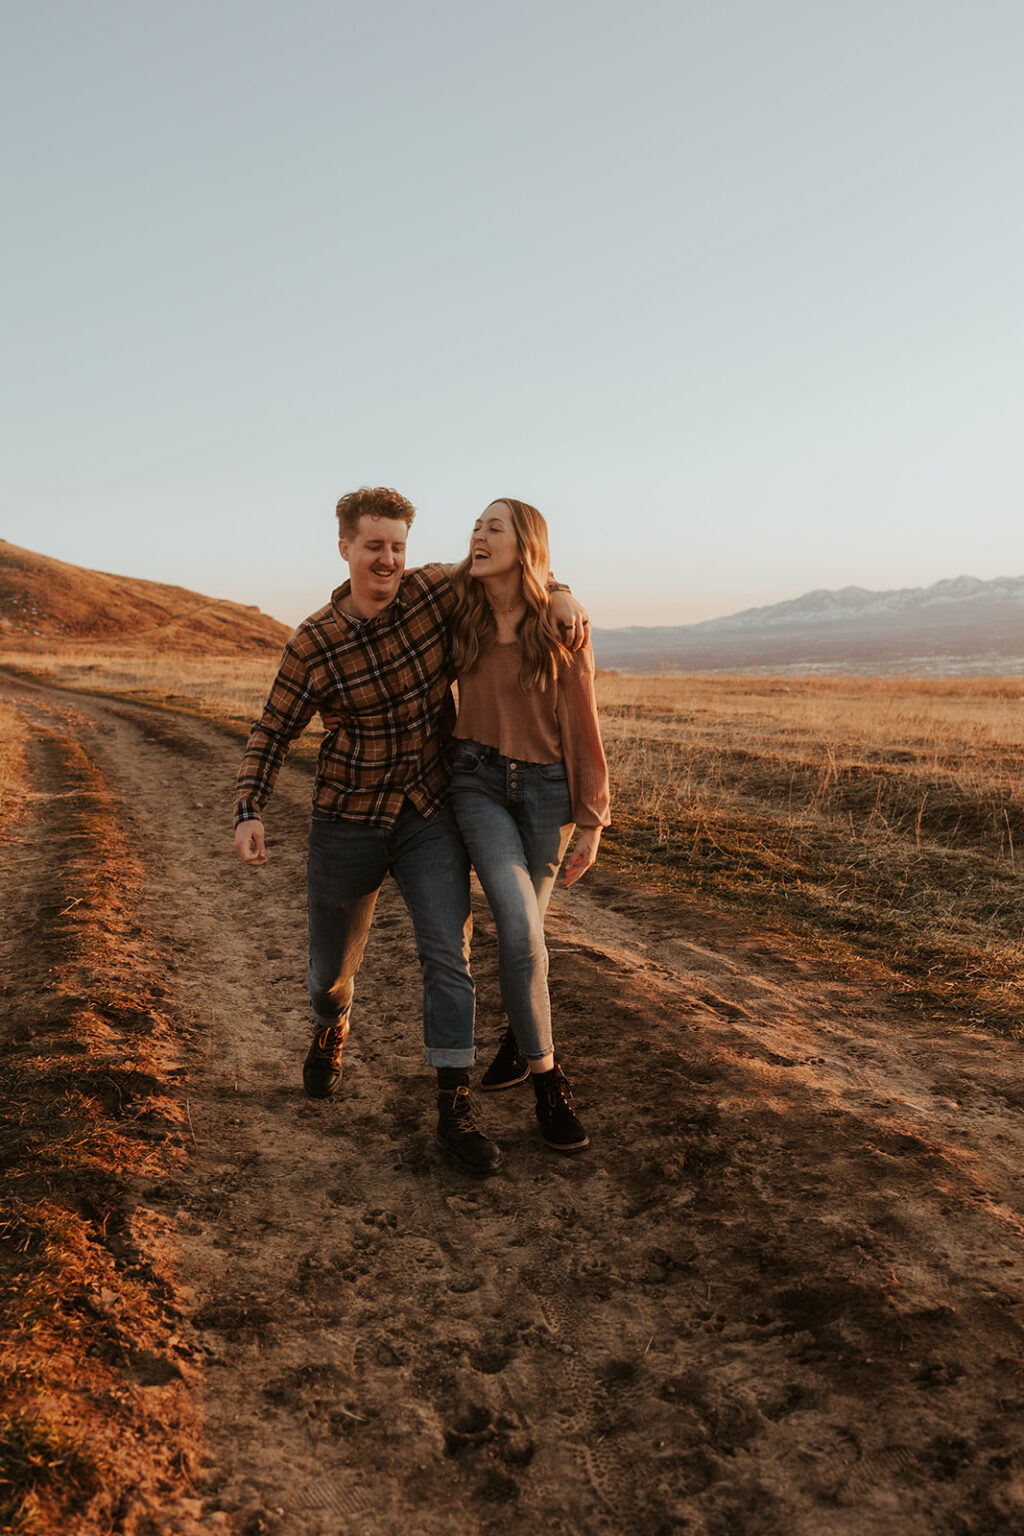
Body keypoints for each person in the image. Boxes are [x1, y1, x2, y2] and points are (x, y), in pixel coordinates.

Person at [233, 486, 590, 1177]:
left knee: (448, 956)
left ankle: (454, 1107)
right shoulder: (314, 642)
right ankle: (332, 1024)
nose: (388, 560)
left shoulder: (431, 592)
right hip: (347, 820)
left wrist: (561, 592)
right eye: (374, 546)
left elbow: (513, 576)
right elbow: (271, 731)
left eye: (397, 546)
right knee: (329, 974)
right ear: (345, 548)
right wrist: (249, 808)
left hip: (428, 813)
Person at [448, 498, 610, 1153]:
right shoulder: (459, 605)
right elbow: (396, 579)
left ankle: (519, 1037)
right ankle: (549, 1081)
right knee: (519, 927)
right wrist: (562, 584)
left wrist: (592, 818)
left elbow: (583, 721)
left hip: (546, 793)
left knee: (527, 934)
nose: (479, 535)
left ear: (525, 547)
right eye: (476, 526)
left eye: (495, 528)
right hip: (476, 782)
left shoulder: (559, 625)